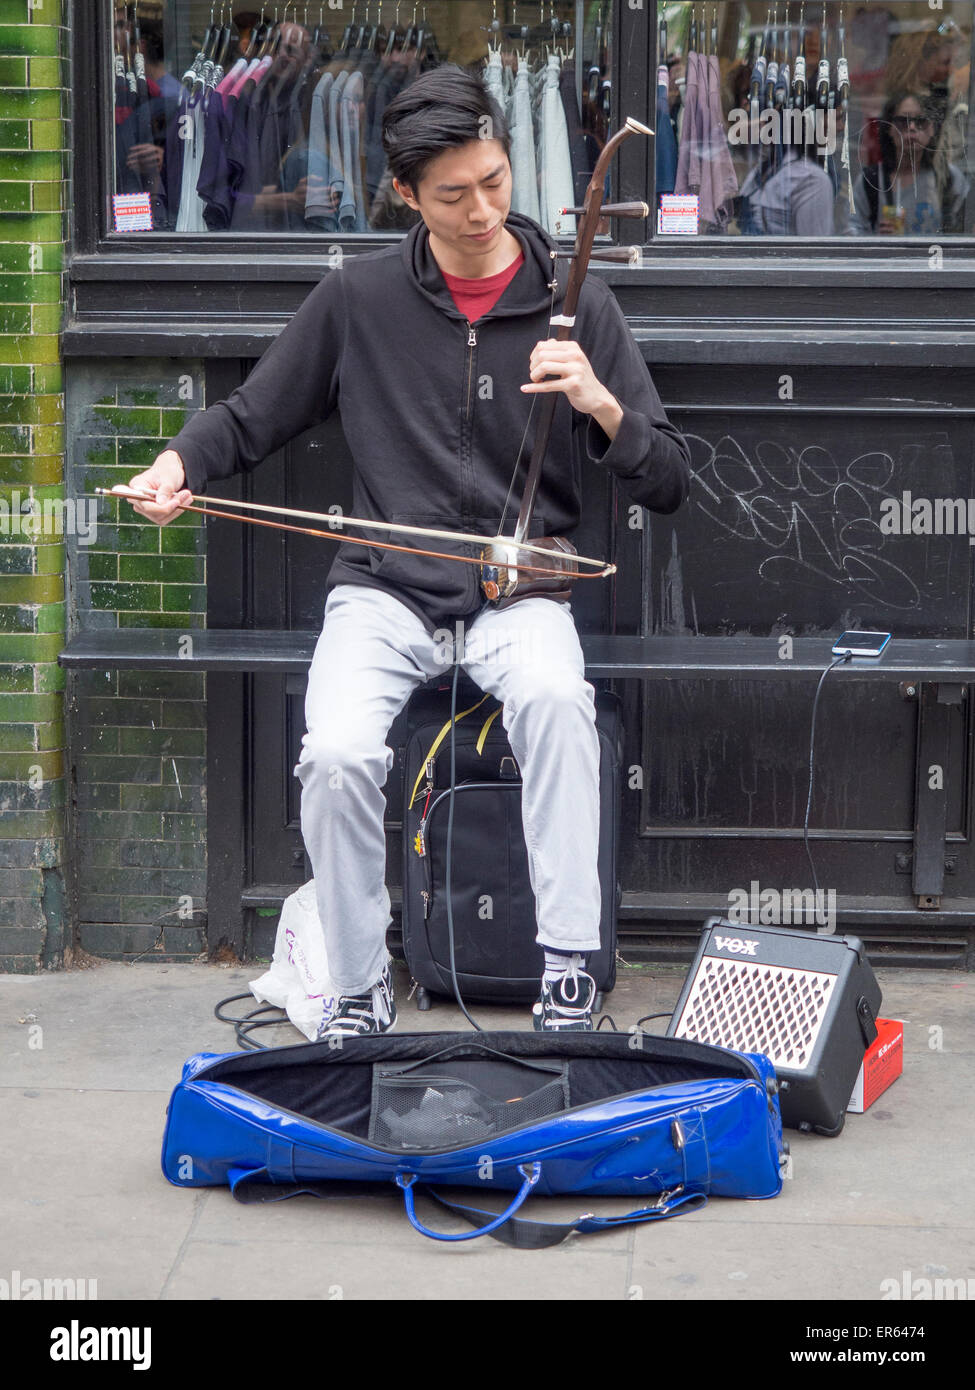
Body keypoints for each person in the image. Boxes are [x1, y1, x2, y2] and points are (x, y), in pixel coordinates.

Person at [124, 66, 691, 1036]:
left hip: (521, 589)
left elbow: (671, 477)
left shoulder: (574, 301)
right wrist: (179, 464)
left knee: (561, 703)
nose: (483, 212)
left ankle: (567, 966)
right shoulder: (361, 300)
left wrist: (600, 405)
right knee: (336, 751)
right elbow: (252, 416)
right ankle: (352, 985)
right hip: (386, 589)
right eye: (454, 195)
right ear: (404, 195)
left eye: (496, 182)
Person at [850, 90, 969, 236]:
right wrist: (876, 239)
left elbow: (964, 232)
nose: (912, 128)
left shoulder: (949, 178)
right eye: (902, 122)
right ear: (889, 128)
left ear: (932, 129)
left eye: (921, 122)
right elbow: (852, 232)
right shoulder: (870, 180)